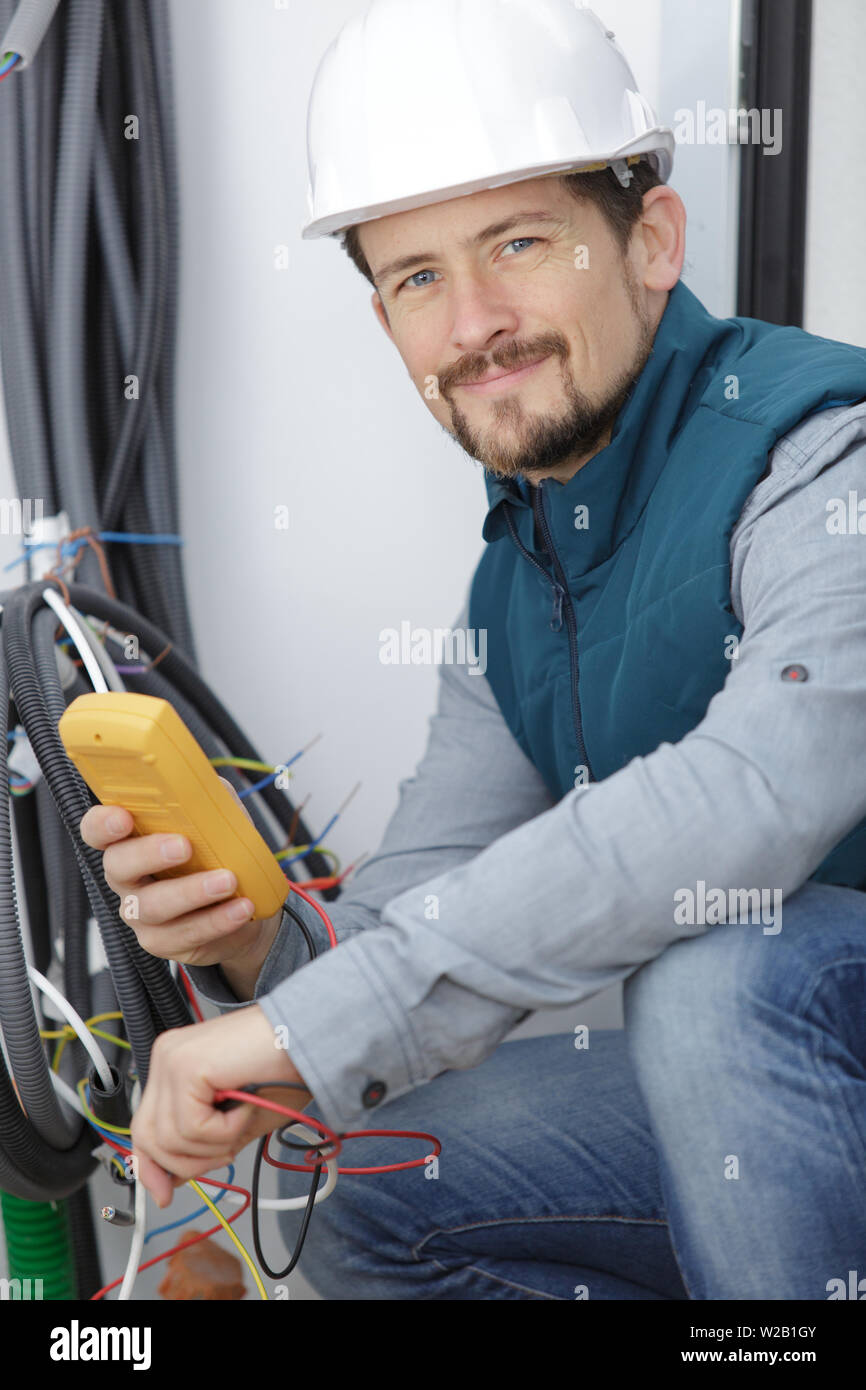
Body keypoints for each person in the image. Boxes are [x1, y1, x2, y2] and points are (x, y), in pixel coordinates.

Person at [80, 0, 866, 1299]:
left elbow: (757, 788)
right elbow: (406, 923)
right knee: (374, 1174)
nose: (475, 322)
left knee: (724, 977)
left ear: (650, 241)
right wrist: (248, 955)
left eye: (519, 241)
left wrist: (318, 1020)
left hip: (790, 1032)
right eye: (416, 276)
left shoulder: (820, 459)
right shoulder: (521, 583)